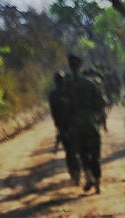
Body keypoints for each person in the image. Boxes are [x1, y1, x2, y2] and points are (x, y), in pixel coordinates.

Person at [64, 54, 107, 193]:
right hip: (91, 122)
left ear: (70, 66)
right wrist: (99, 117)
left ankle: (89, 177)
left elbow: (64, 107)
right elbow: (101, 102)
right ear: (80, 65)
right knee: (95, 153)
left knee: (82, 152)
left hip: (75, 125)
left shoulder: (67, 85)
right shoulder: (90, 83)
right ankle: (97, 183)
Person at [47, 72, 80, 185]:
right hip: (71, 124)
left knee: (69, 150)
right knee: (73, 149)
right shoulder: (70, 92)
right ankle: (75, 171)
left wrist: (58, 124)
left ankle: (74, 171)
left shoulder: (53, 95)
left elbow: (53, 112)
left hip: (64, 125)